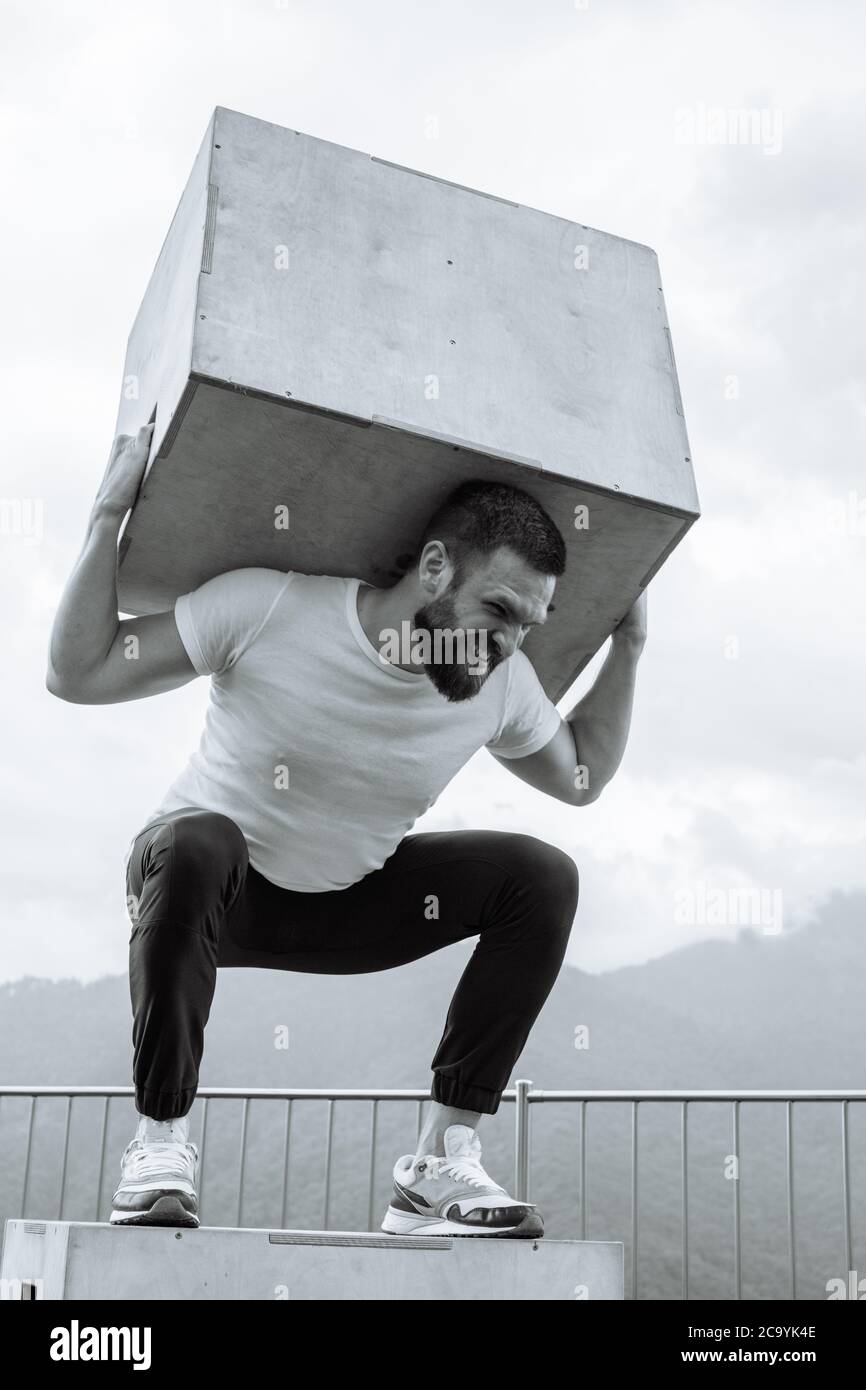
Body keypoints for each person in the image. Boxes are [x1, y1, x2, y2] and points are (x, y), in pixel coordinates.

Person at [46, 422, 647, 1239]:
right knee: (201, 839)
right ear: (435, 567)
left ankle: (437, 1168)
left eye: (528, 627)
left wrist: (631, 648)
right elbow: (77, 673)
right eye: (498, 609)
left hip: (345, 903)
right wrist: (108, 515)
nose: (509, 640)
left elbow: (581, 778)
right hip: (203, 891)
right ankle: (158, 1146)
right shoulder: (269, 606)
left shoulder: (498, 683)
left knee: (541, 876)